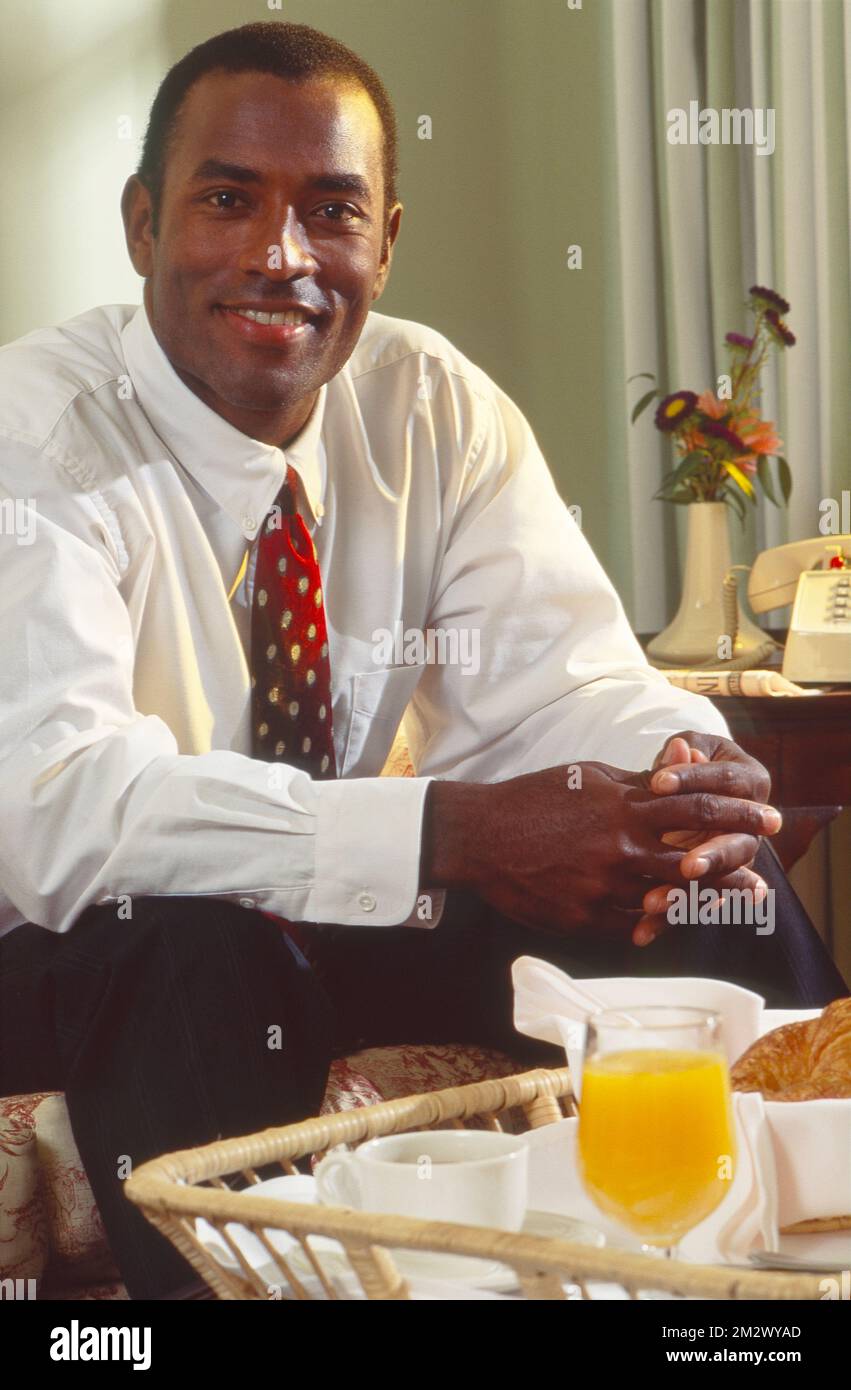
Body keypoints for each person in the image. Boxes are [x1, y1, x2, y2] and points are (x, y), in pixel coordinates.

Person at [0, 22, 845, 1300]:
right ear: (140, 227)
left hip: (322, 924)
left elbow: (563, 679)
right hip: (70, 944)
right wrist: (445, 830)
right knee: (190, 938)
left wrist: (680, 773)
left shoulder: (429, 402)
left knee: (694, 885)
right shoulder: (32, 438)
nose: (280, 255)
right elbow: (61, 812)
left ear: (385, 241)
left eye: (329, 210)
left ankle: (766, 1288)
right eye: (227, 199)